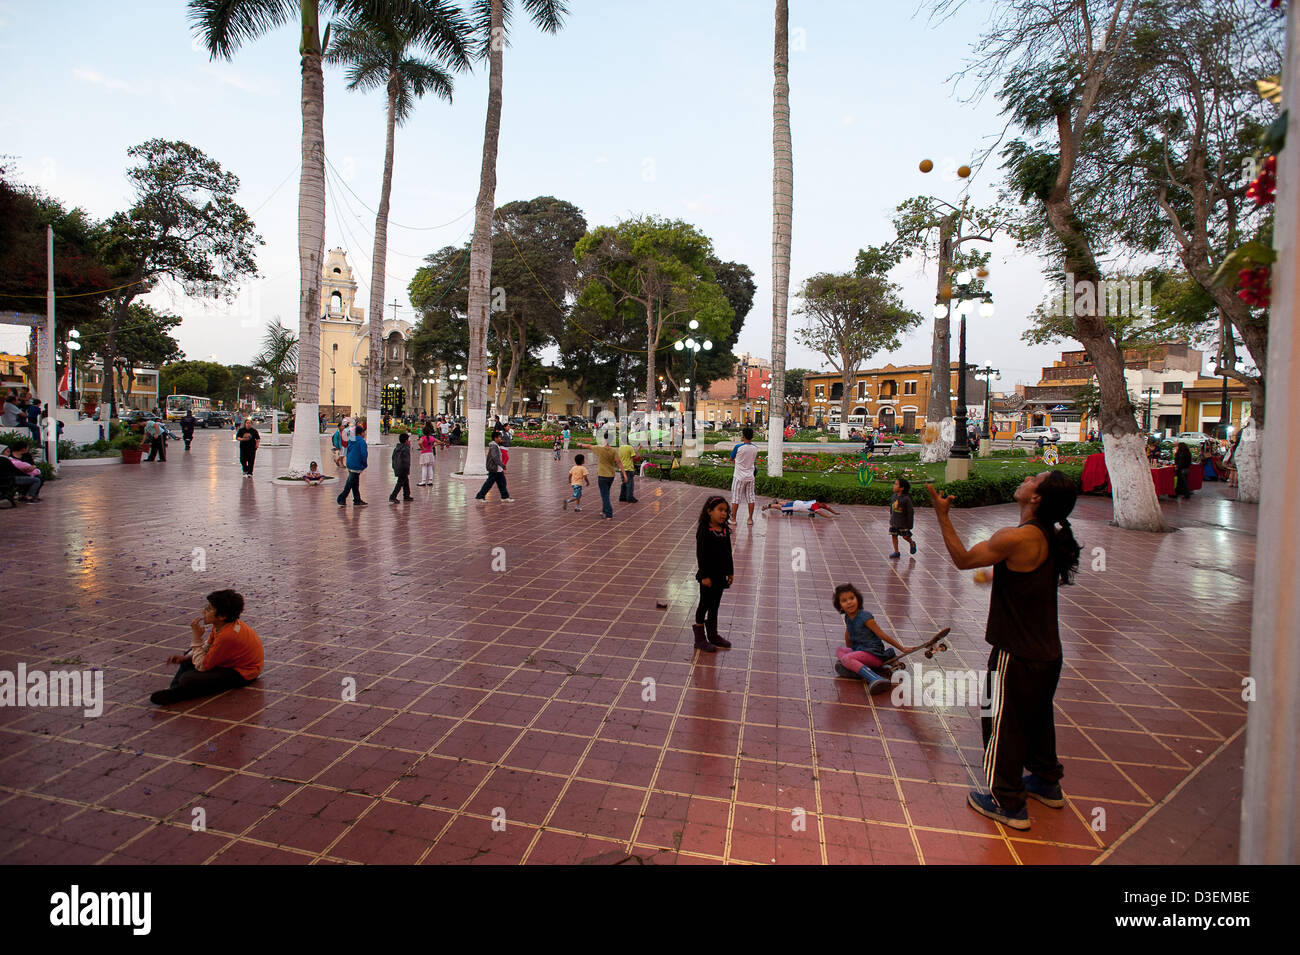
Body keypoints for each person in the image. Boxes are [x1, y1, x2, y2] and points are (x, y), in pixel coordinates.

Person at [926, 471, 1081, 830]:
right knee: (1038, 720)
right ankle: (1045, 782)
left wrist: (942, 515)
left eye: (1034, 479)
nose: (1026, 478)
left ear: (1036, 498)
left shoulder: (1017, 537)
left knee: (1002, 724)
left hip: (1017, 653)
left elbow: (963, 559)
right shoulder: (1048, 534)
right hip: (1047, 654)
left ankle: (1006, 801)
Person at [150, 590, 263, 705]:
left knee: (188, 678)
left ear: (222, 616)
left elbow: (202, 666)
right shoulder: (222, 625)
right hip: (229, 663)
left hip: (243, 673)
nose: (204, 611)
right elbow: (207, 646)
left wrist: (196, 637)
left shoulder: (227, 636)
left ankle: (176, 693)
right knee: (189, 657)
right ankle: (174, 691)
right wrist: (187, 658)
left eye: (209, 609)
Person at [830, 582, 918, 690]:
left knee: (846, 659)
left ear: (858, 599)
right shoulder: (848, 617)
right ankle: (859, 670)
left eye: (851, 598)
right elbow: (848, 634)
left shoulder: (865, 617)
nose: (849, 602)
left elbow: (882, 635)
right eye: (844, 601)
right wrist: (850, 649)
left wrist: (902, 648)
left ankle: (875, 678)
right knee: (840, 650)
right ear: (840, 607)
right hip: (861, 649)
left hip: (873, 653)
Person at [692, 495, 734, 654]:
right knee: (704, 604)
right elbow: (700, 555)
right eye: (720, 510)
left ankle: (713, 635)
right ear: (709, 511)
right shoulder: (704, 530)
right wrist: (704, 576)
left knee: (715, 605)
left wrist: (730, 571)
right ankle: (699, 638)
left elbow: (728, 551)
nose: (723, 514)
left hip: (720, 575)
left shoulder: (724, 530)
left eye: (726, 511)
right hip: (707, 577)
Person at [729, 426, 759, 525]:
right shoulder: (755, 448)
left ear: (743, 436)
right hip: (750, 476)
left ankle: (733, 519)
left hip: (739, 476)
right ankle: (750, 519)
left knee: (736, 498)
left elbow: (731, 458)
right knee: (751, 497)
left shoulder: (738, 447)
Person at [475, 432, 513, 502]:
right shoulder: (493, 446)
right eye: (499, 437)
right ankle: (480, 496)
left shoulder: (496, 445)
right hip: (494, 468)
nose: (500, 439)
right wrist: (502, 465)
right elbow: (495, 457)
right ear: (495, 438)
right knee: (489, 483)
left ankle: (504, 497)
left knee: (502, 482)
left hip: (498, 469)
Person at [337, 422, 369, 506]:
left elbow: (348, 451)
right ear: (360, 433)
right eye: (363, 432)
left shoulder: (351, 440)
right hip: (356, 464)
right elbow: (363, 454)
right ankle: (341, 498)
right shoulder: (361, 442)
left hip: (350, 463)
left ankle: (357, 499)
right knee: (350, 482)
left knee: (355, 482)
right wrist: (364, 463)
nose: (364, 434)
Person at [593, 436, 624, 520]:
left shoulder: (599, 448)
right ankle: (604, 510)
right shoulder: (613, 450)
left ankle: (609, 514)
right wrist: (624, 474)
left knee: (605, 495)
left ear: (605, 440)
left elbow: (588, 446)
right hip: (611, 476)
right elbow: (619, 462)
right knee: (606, 493)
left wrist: (581, 444)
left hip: (602, 475)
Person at [888, 477, 917, 558]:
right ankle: (896, 552)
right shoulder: (894, 496)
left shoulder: (906, 499)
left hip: (903, 523)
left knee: (906, 536)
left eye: (896, 484)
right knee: (894, 535)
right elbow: (891, 507)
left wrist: (910, 525)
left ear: (902, 488)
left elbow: (910, 512)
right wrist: (891, 517)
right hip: (894, 521)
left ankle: (912, 543)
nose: (894, 486)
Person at [389, 431, 413, 502]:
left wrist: (394, 466)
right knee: (400, 482)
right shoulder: (405, 449)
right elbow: (406, 460)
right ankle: (393, 496)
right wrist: (407, 469)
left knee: (405, 481)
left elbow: (393, 458)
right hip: (403, 468)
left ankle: (406, 495)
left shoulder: (397, 448)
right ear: (406, 441)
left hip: (397, 467)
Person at [762, 498, 839, 518]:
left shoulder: (818, 504)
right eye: (822, 504)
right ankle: (769, 506)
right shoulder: (815, 505)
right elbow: (820, 512)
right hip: (796, 506)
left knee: (787, 504)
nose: (824, 505)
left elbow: (828, 507)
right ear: (818, 502)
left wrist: (834, 513)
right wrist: (828, 516)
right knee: (782, 508)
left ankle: (777, 501)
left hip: (798, 503)